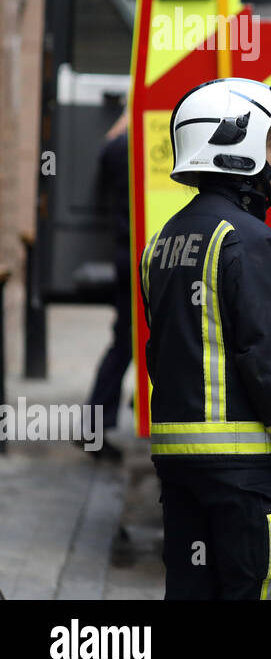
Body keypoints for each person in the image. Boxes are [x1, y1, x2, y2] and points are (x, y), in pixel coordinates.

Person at [142, 78, 271, 600]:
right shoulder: (248, 240)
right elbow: (268, 363)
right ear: (237, 146)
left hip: (181, 469)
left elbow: (163, 352)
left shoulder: (163, 241)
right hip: (248, 474)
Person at [86, 110, 131, 459]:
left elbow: (108, 147)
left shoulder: (118, 146)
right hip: (136, 258)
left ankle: (95, 427)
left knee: (124, 344)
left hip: (127, 255)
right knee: (125, 344)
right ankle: (95, 428)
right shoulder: (134, 145)